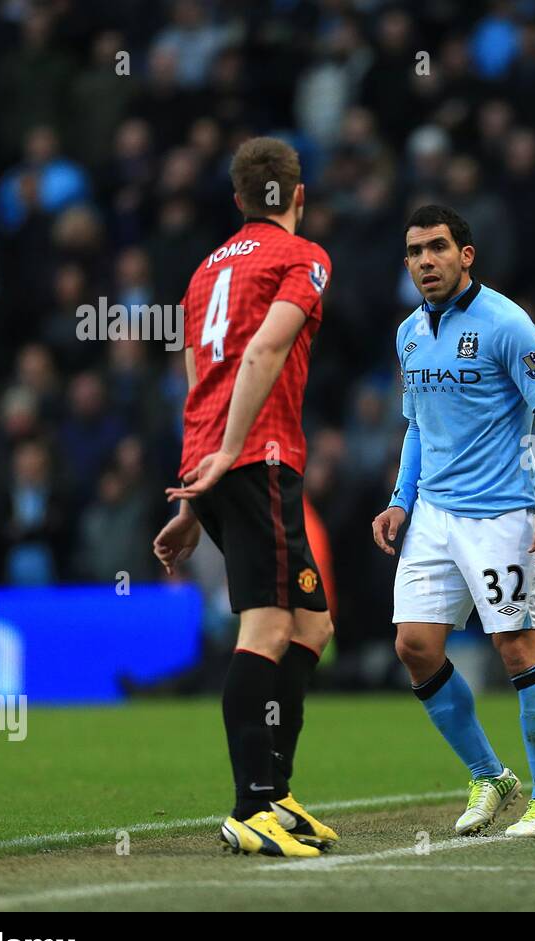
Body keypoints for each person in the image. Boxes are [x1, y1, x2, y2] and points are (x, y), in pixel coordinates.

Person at [154, 137, 337, 858]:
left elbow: (195, 376)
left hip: (220, 458)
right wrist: (231, 453)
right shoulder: (305, 256)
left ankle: (277, 791)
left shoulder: (203, 273)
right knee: (265, 629)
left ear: (237, 201)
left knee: (312, 626)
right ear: (298, 195)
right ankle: (249, 805)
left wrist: (195, 498)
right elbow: (263, 351)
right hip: (255, 456)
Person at [371, 205, 535, 838]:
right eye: (414, 251)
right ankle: (490, 775)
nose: (425, 261)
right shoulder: (409, 332)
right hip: (432, 514)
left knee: (516, 647)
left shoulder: (507, 323)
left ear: (467, 255)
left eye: (437, 247)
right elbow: (416, 426)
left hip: (500, 516)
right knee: (414, 646)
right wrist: (401, 500)